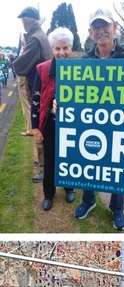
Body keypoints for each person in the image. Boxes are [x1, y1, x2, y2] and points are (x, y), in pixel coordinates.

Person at [72, 9, 124, 230]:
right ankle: (88, 200)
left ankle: (117, 208)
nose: (101, 31)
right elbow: (75, 90)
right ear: (90, 32)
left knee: (117, 162)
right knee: (88, 158)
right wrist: (61, 103)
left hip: (119, 120)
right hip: (92, 119)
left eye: (105, 26)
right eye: (96, 27)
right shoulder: (86, 58)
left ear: (114, 27)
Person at [28, 27, 74, 212]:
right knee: (50, 159)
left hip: (72, 125)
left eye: (65, 48)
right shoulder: (42, 69)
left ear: (71, 48)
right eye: (57, 48)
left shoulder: (81, 69)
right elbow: (36, 100)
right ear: (52, 49)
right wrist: (35, 128)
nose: (62, 52)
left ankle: (69, 187)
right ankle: (49, 193)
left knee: (69, 158)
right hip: (50, 123)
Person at [12, 7, 51, 183]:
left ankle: (43, 169)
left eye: (25, 20)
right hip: (43, 89)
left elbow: (21, 65)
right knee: (41, 128)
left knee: (38, 129)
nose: (23, 23)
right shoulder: (40, 36)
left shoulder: (35, 39)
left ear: (32, 20)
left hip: (37, 90)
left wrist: (14, 60)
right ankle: (44, 165)